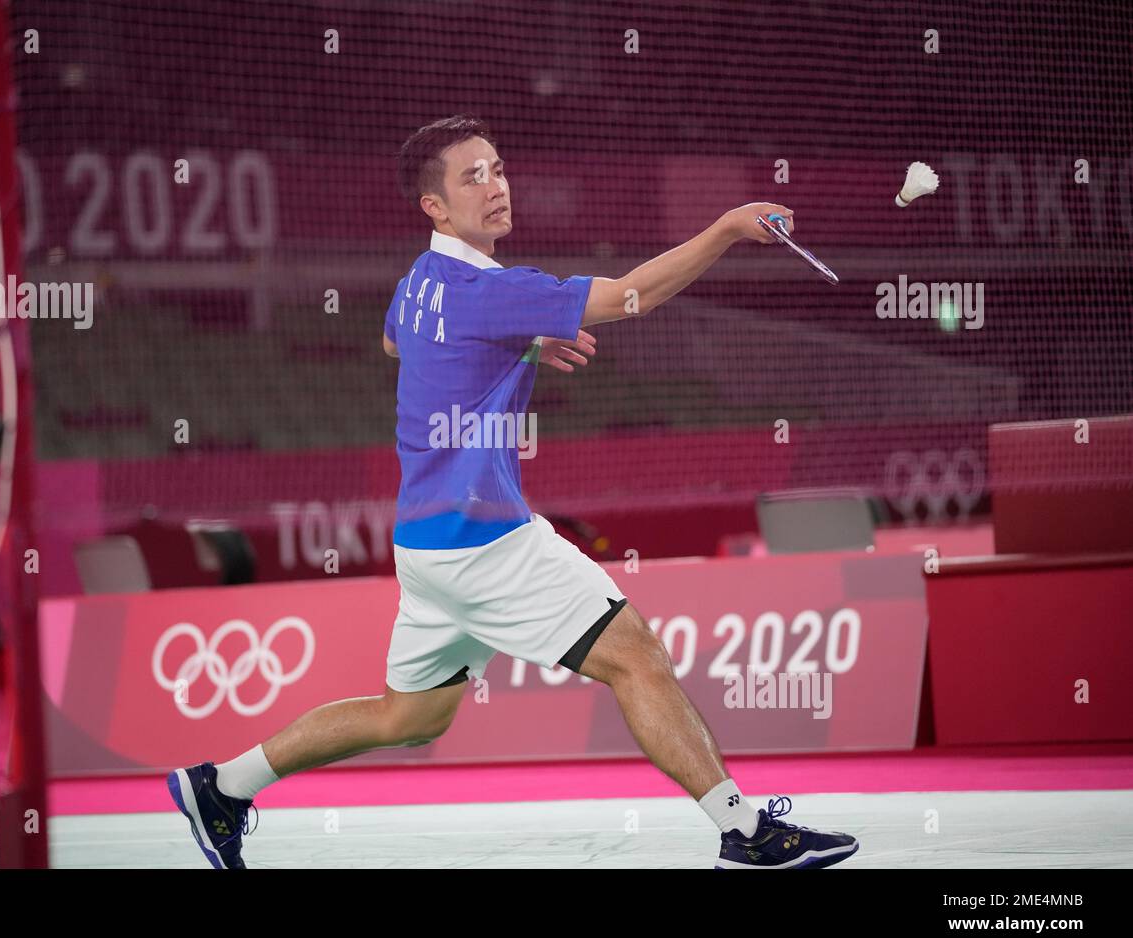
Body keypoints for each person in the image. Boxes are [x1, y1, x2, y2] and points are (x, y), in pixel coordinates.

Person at [169, 114, 858, 870]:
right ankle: (745, 832)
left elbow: (397, 340)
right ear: (434, 205)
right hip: (486, 542)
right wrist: (727, 228)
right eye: (473, 177)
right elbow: (630, 298)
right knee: (636, 658)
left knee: (411, 715)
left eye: (498, 169)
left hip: (425, 550)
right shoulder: (489, 292)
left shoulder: (419, 284)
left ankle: (223, 785)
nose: (496, 186)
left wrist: (520, 339)